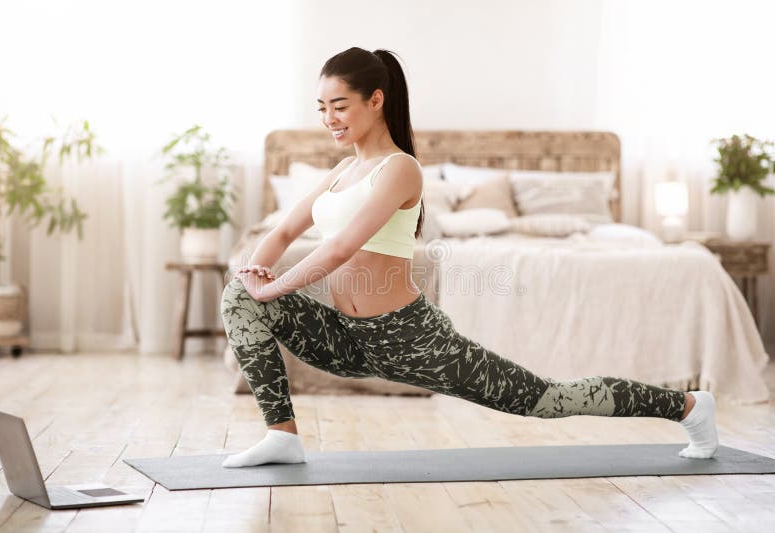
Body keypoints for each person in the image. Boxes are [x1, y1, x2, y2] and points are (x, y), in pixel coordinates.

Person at [220, 47, 718, 468]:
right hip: (346, 338)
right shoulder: (339, 174)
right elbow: (285, 229)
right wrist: (254, 274)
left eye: (340, 106)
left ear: (376, 101)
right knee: (239, 295)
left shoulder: (400, 169)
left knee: (545, 399)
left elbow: (341, 247)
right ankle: (282, 435)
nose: (329, 119)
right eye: (322, 107)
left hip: (411, 339)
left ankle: (690, 406)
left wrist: (275, 285)